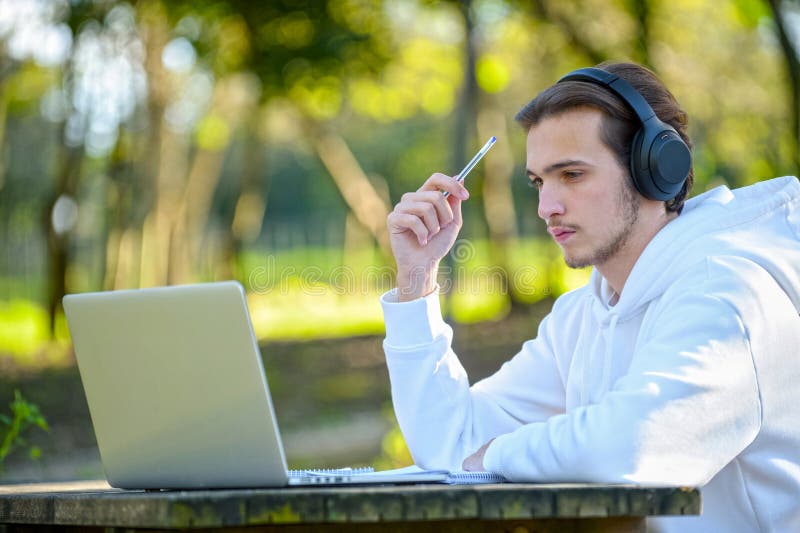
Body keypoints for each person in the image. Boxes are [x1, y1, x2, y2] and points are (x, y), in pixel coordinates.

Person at [381, 61, 800, 533]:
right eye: (539, 181)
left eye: (573, 175)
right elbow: (451, 445)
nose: (546, 207)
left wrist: (495, 455)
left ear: (658, 169)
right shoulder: (584, 315)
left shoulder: (729, 293)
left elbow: (635, 449)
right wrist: (416, 279)